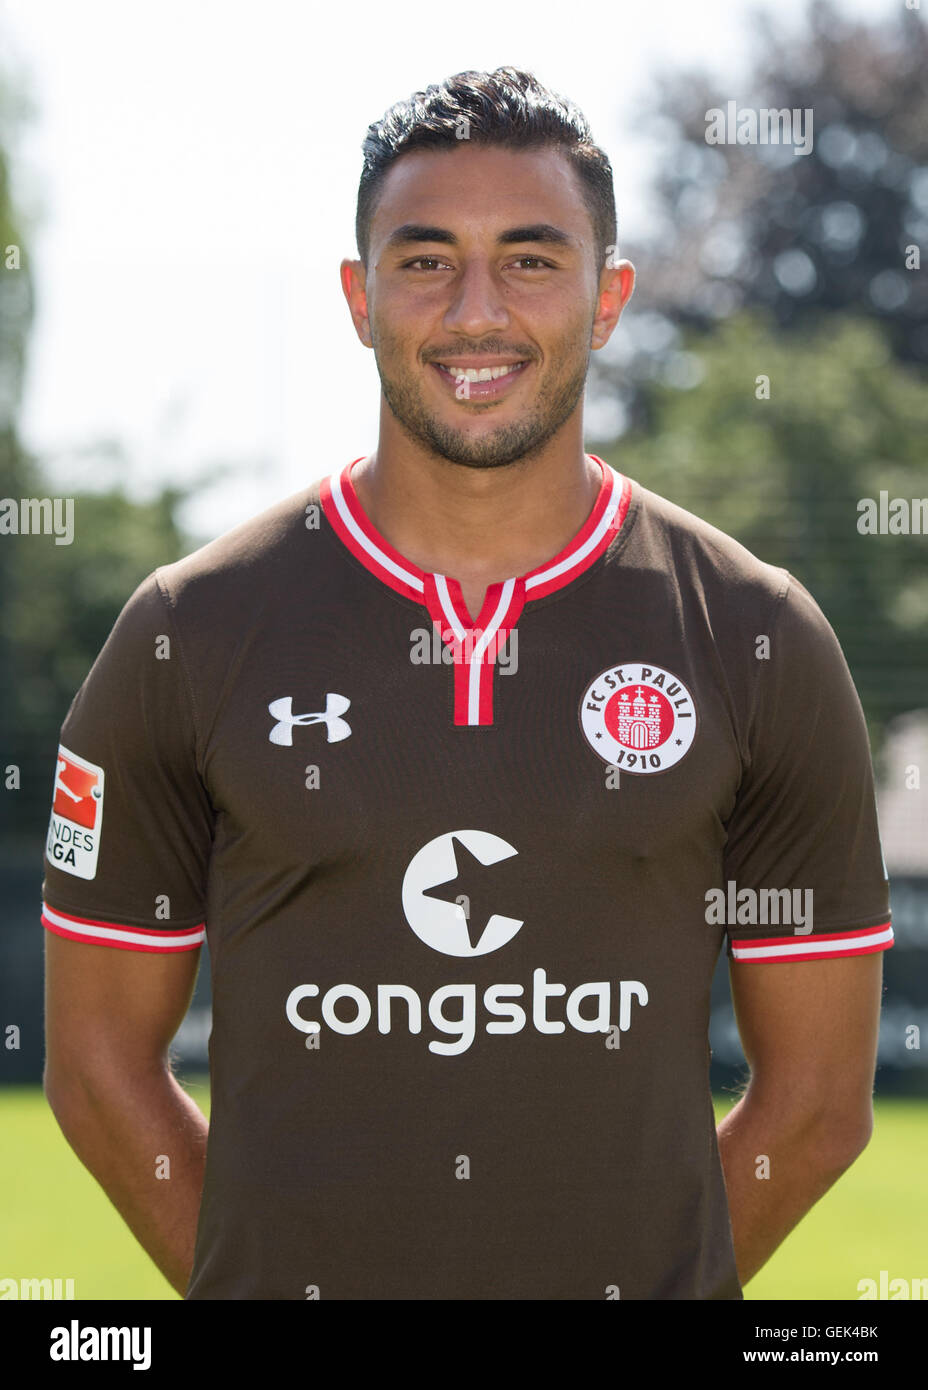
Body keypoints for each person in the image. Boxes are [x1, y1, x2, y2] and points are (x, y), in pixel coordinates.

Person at [41, 67, 893, 1301]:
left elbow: (816, 1106)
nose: (475, 310)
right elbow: (97, 1071)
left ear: (607, 301)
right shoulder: (191, 628)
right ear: (359, 296)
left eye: (533, 260)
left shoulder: (756, 633)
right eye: (425, 259)